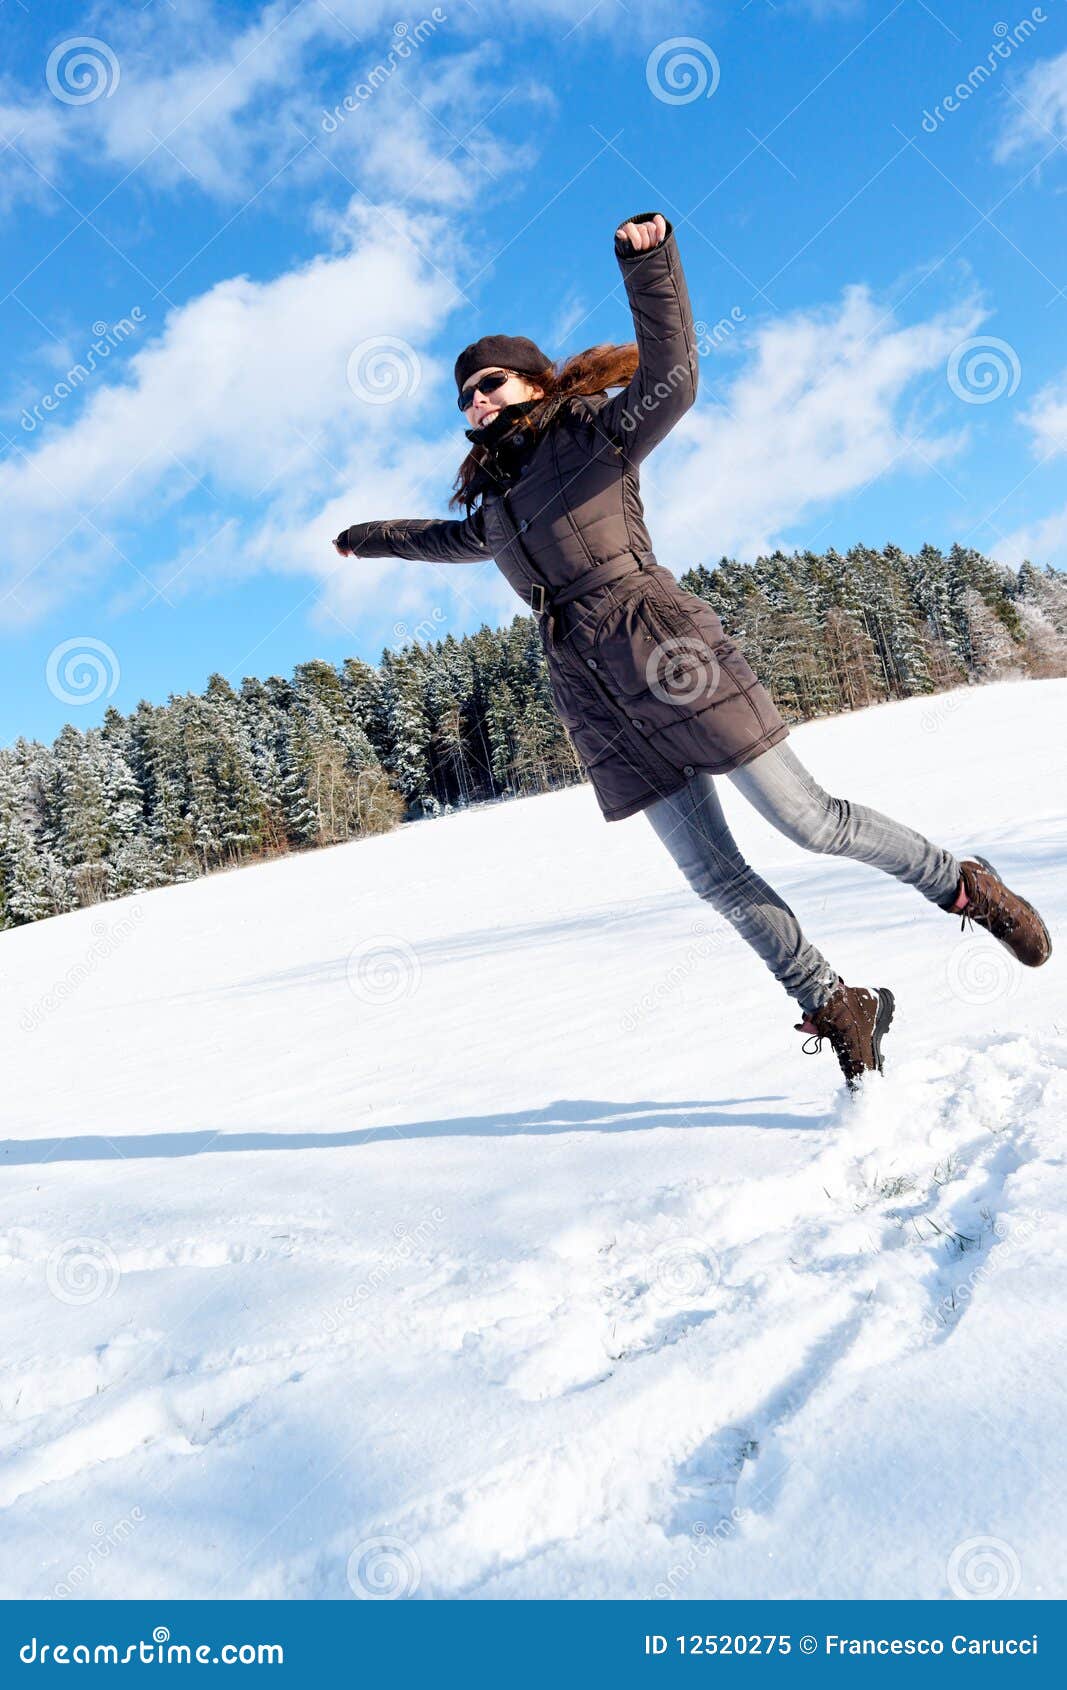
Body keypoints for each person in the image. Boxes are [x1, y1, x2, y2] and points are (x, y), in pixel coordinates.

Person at [333, 210, 1051, 1093]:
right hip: (593, 693)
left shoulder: (587, 434)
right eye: (464, 397)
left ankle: (963, 887)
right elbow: (451, 540)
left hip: (663, 645)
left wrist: (649, 266)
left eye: (487, 382)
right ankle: (836, 1004)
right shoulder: (495, 501)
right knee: (713, 876)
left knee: (808, 821)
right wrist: (371, 539)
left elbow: (672, 376)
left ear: (530, 381)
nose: (475, 401)